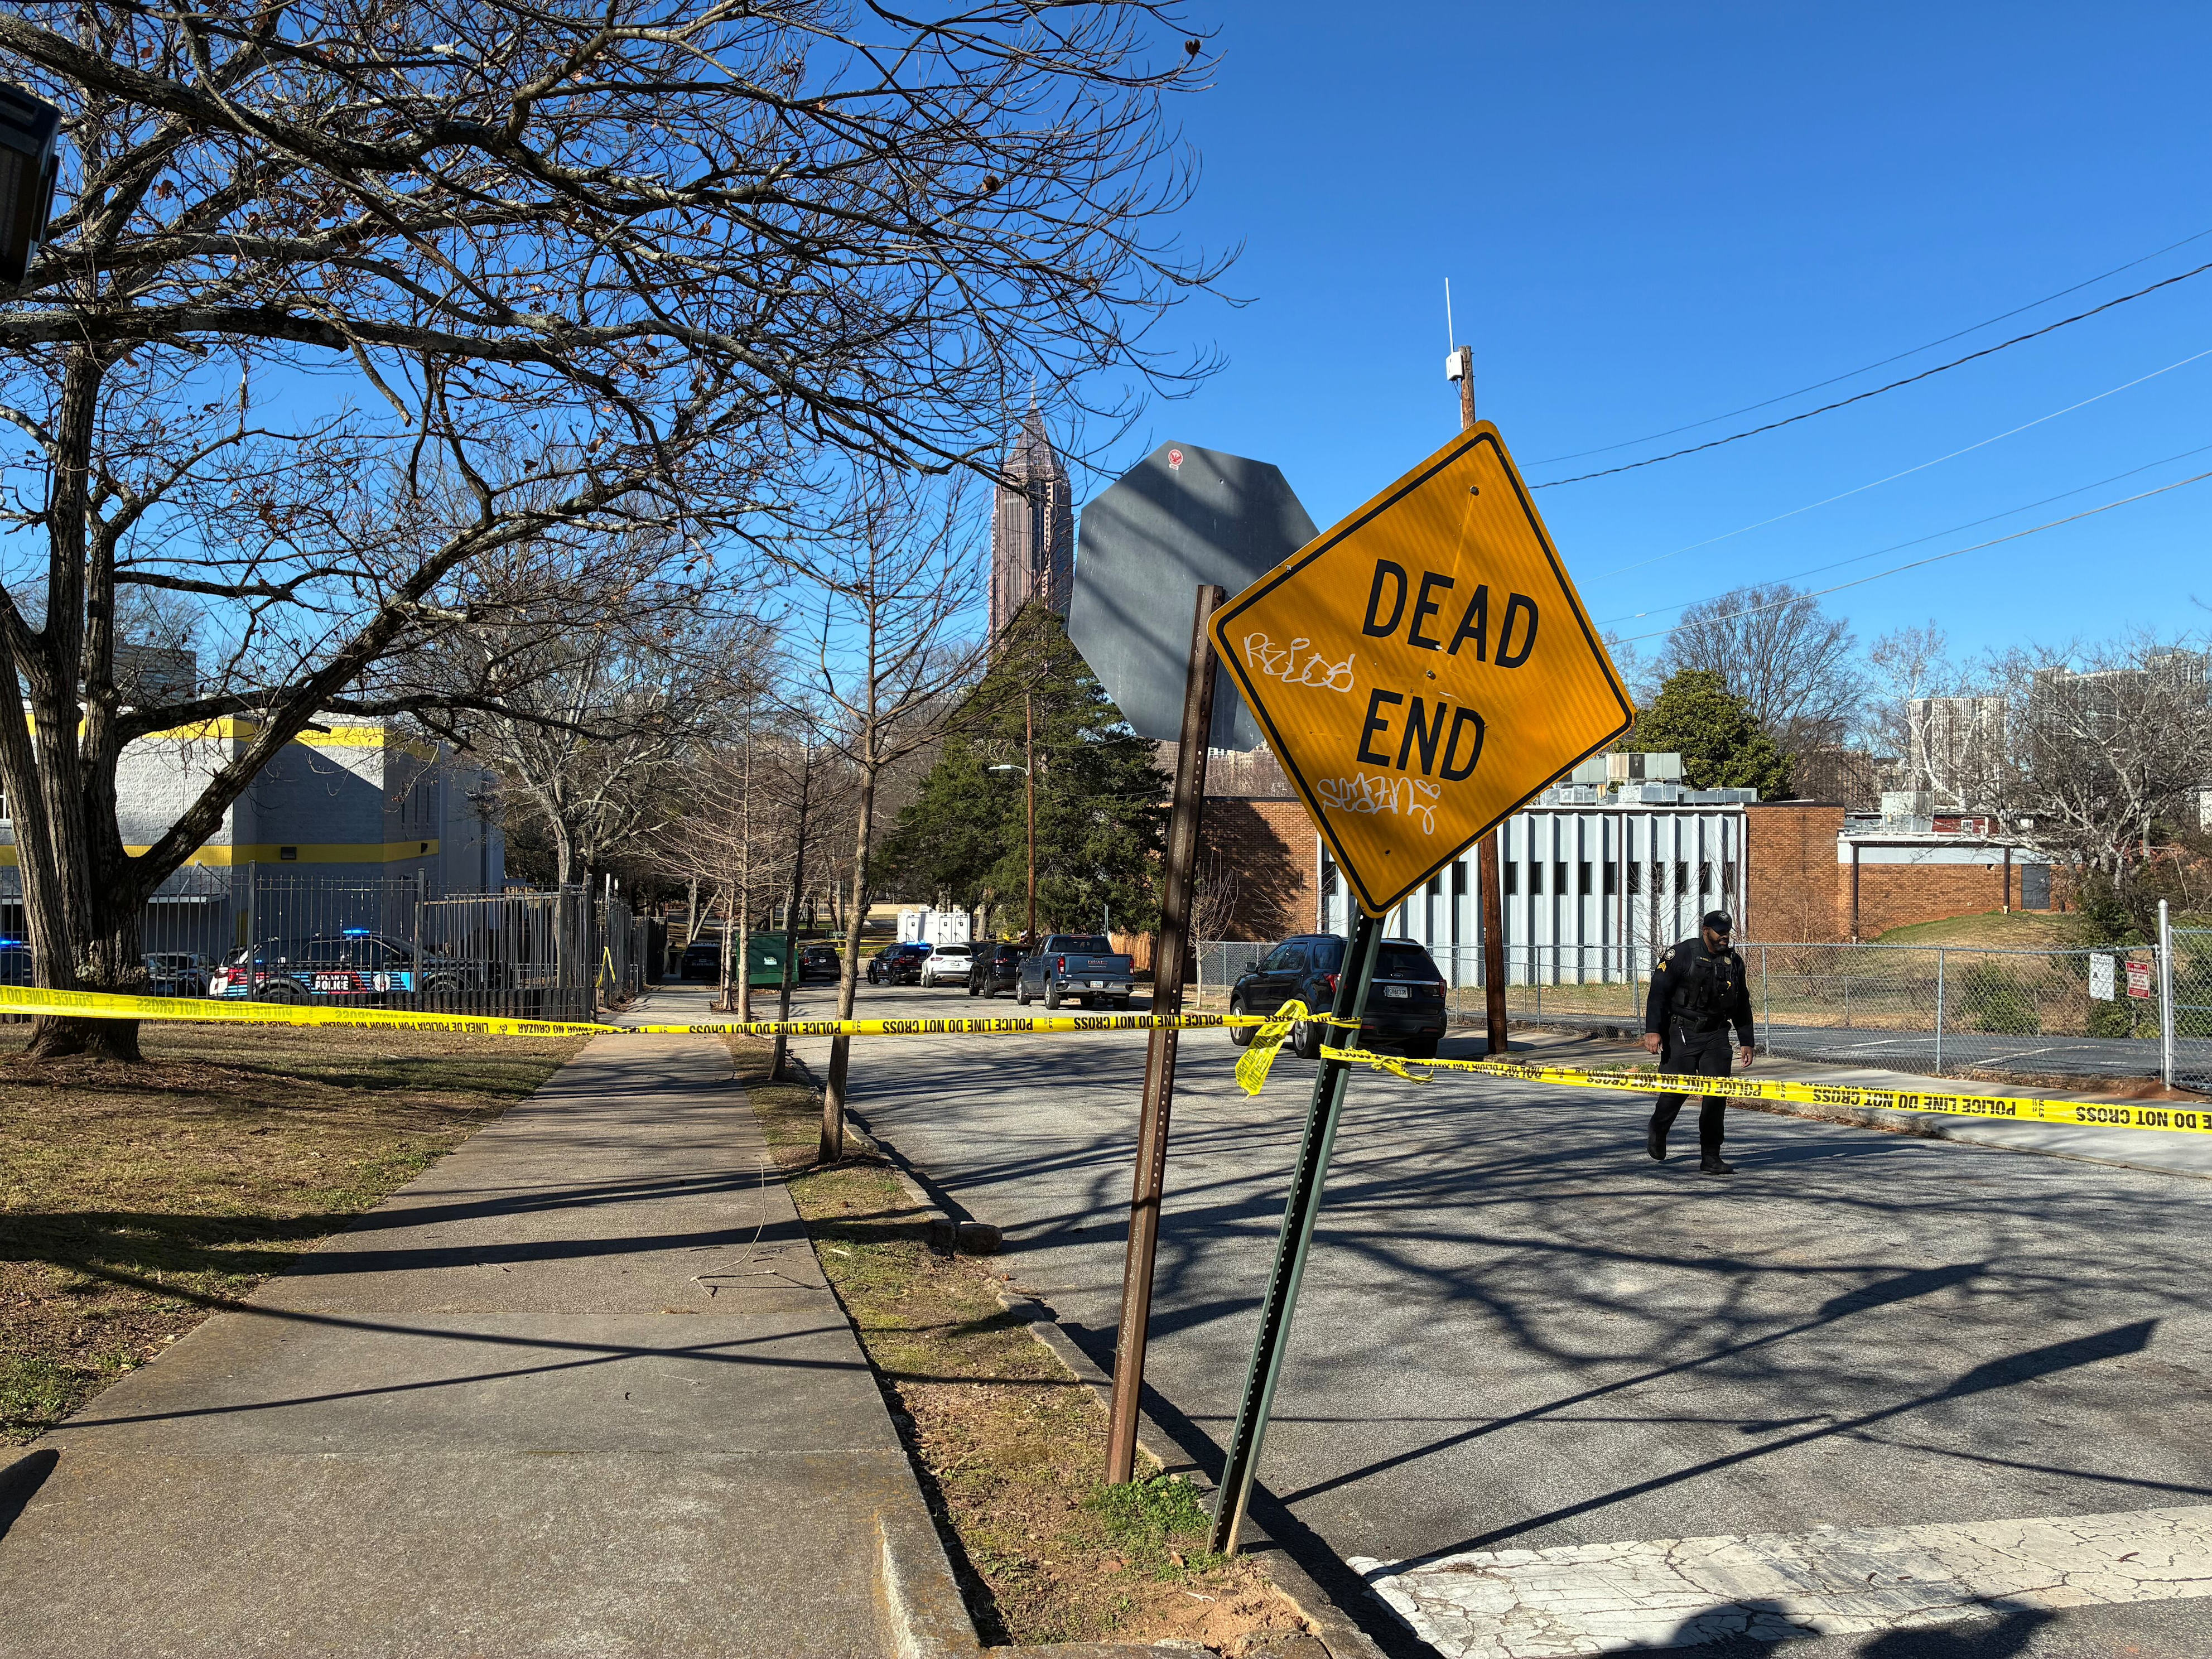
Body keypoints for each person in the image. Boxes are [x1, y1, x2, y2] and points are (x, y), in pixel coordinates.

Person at [1641, 909, 1756, 1174]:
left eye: (1727, 932)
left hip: (1716, 1034)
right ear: (1706, 931)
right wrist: (1652, 1031)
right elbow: (1658, 993)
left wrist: (1746, 1040)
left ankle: (1711, 1156)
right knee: (1676, 1092)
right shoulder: (1682, 954)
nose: (1724, 937)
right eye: (1719, 932)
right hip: (1681, 1031)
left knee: (1716, 1096)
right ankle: (1658, 1129)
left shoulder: (1733, 962)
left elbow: (1742, 1004)